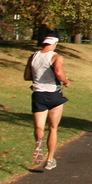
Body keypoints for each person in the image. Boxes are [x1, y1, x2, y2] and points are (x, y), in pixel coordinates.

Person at [24, 36, 69, 171]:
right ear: (54, 44)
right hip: (54, 94)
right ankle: (50, 159)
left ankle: (39, 141)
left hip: (38, 94)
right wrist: (65, 81)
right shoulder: (56, 57)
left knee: (39, 126)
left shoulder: (33, 57)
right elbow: (58, 71)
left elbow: (27, 76)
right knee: (53, 128)